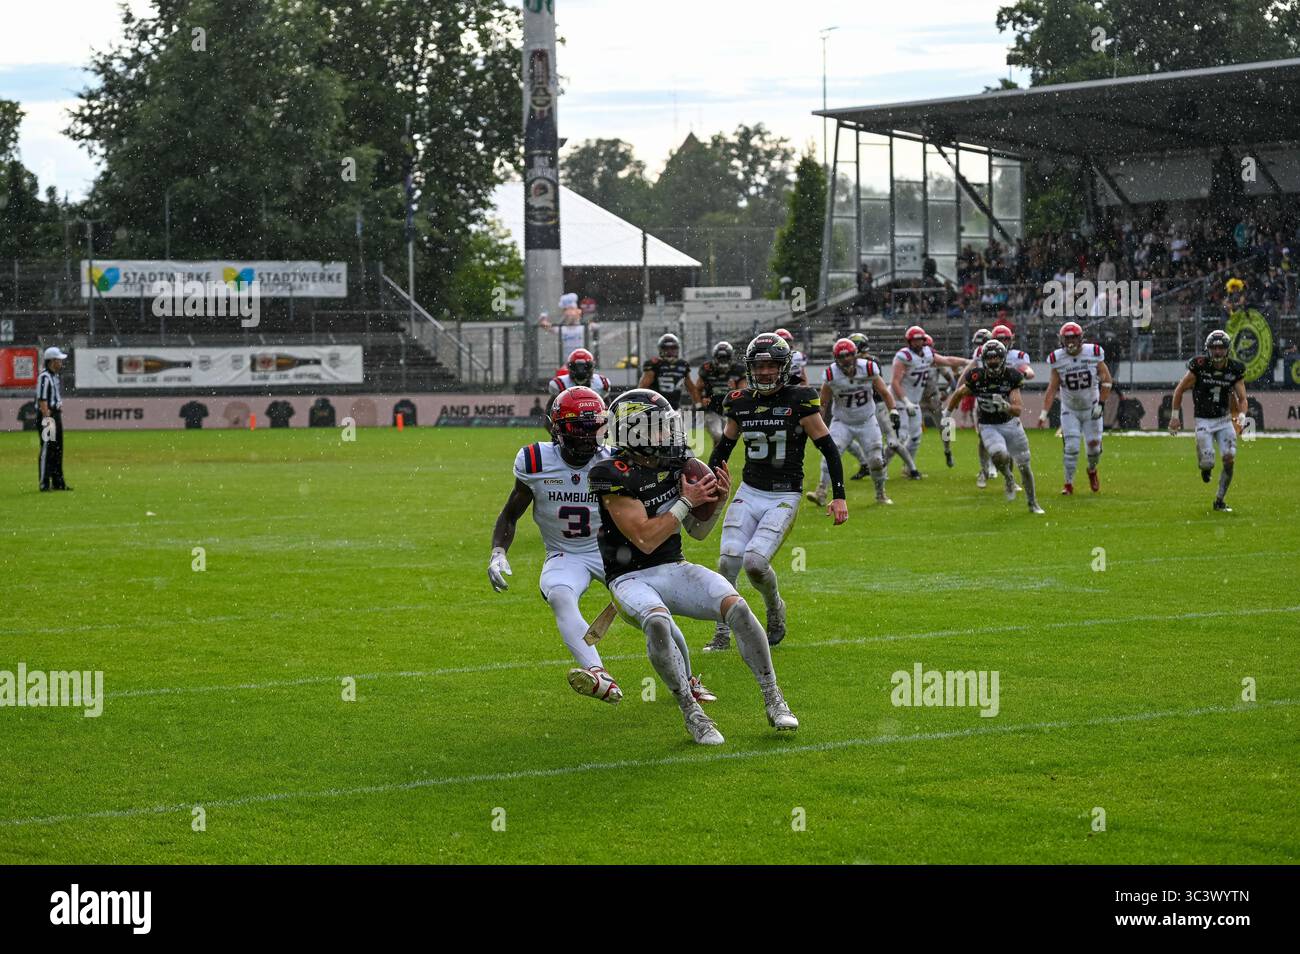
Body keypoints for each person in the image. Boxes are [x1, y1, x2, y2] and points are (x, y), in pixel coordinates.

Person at [589, 388, 794, 745]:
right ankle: (692, 712)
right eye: (656, 428)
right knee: (656, 622)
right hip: (629, 578)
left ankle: (773, 696)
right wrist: (686, 501)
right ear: (631, 432)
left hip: (674, 566)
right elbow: (645, 538)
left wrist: (716, 503)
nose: (666, 434)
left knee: (739, 609)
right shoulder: (610, 472)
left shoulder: (676, 462)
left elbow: (698, 533)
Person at [488, 387, 716, 705]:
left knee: (656, 616)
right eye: (577, 428)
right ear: (557, 428)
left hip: (613, 550)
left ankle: (686, 680)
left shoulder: (615, 460)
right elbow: (510, 513)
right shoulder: (536, 459)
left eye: (592, 426)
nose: (586, 436)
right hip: (565, 553)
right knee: (559, 594)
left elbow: (652, 496)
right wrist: (498, 552)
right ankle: (597, 673)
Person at [703, 332, 849, 653]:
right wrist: (711, 484)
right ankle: (721, 631)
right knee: (728, 560)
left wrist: (838, 494)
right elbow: (723, 448)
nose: (766, 371)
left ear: (785, 367)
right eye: (760, 365)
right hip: (749, 489)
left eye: (772, 365)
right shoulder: (739, 401)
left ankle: (774, 607)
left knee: (754, 562)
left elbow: (829, 448)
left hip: (784, 494)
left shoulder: (800, 399)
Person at [944, 339, 1045, 514]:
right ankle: (1008, 478)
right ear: (984, 359)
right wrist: (947, 413)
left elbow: (1018, 410)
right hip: (988, 425)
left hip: (1011, 424)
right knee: (999, 455)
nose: (993, 361)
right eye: (989, 358)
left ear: (1003, 358)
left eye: (996, 357)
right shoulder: (977, 376)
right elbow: (959, 392)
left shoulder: (1011, 376)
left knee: (1024, 466)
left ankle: (1032, 502)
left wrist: (1005, 406)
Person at [808, 338, 899, 507]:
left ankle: (880, 494)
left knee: (876, 461)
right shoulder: (831, 374)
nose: (846, 360)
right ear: (836, 359)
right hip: (842, 422)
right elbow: (823, 403)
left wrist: (893, 409)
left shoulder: (869, 368)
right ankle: (821, 491)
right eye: (842, 357)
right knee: (830, 454)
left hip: (867, 421)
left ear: (855, 355)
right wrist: (817, 425)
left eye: (849, 356)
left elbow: (884, 391)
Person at [1169, 329, 1247, 512]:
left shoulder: (1234, 369)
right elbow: (1179, 390)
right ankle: (1205, 468)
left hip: (1224, 419)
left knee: (1229, 459)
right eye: (1214, 348)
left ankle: (1219, 500)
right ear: (1208, 349)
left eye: (1221, 348)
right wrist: (1174, 418)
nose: (1217, 352)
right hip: (1203, 420)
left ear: (1227, 349)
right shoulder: (1200, 366)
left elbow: (1242, 398)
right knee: (1208, 463)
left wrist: (1242, 418)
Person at [1038, 322, 1112, 494]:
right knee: (1071, 447)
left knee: (1094, 448)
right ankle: (1068, 484)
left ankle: (1092, 470)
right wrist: (1043, 414)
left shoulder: (1093, 353)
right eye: (1067, 337)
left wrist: (1101, 404)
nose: (1070, 341)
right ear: (1062, 340)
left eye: (1073, 337)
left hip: (1091, 407)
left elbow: (1107, 380)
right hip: (1070, 409)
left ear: (1080, 338)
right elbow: (1052, 388)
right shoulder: (1058, 358)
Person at [890, 325, 968, 474]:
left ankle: (947, 450)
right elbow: (897, 380)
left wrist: (948, 392)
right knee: (910, 435)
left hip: (932, 399)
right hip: (914, 399)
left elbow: (952, 379)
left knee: (945, 427)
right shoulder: (908, 360)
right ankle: (908, 465)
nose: (925, 348)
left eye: (926, 345)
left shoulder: (934, 361)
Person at [692, 341, 743, 446]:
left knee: (722, 441)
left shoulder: (738, 370)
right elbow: (697, 389)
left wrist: (734, 391)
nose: (723, 361)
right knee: (719, 435)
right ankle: (717, 460)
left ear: (731, 358)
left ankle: (716, 461)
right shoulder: (707, 369)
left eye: (725, 358)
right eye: (720, 358)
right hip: (711, 409)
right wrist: (699, 404)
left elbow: (743, 392)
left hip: (729, 411)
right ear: (715, 358)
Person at [36, 346, 70, 492]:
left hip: (55, 415)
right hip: (48, 417)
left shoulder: (54, 377)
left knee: (57, 449)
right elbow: (42, 399)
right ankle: (44, 482)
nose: (61, 363)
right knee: (47, 449)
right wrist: (47, 416)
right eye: (58, 360)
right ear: (52, 361)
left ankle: (58, 482)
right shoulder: (44, 376)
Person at [638, 333, 691, 409]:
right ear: (661, 349)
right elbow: (642, 388)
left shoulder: (683, 365)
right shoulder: (654, 364)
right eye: (666, 348)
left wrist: (699, 404)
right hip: (657, 407)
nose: (669, 351)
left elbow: (691, 388)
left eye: (673, 348)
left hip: (675, 407)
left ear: (677, 349)